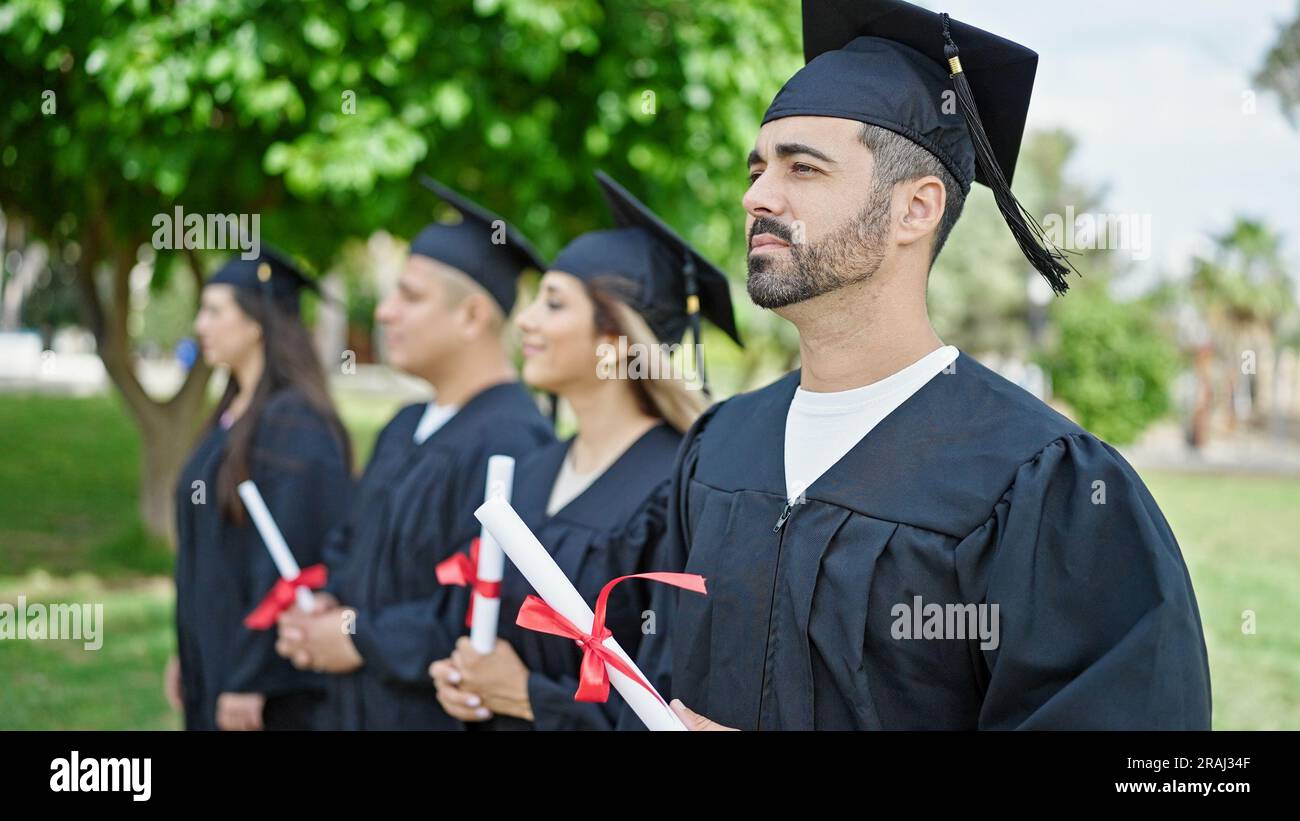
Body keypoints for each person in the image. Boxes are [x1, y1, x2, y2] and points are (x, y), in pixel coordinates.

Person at [631, 0, 1213, 730]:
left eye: (801, 167)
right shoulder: (718, 449)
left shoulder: (1042, 488)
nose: (756, 197)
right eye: (757, 169)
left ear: (916, 208)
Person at [429, 171, 741, 730]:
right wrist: (461, 678)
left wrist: (528, 696)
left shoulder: (676, 488)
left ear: (615, 338)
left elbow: (665, 703)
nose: (524, 320)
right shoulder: (532, 471)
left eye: (553, 304)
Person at [274, 179, 554, 730]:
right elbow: (350, 544)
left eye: (410, 296)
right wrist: (325, 605)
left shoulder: (516, 443)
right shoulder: (403, 427)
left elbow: (481, 611)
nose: (384, 312)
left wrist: (358, 637)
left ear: (472, 316)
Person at [169, 249, 353, 731]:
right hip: (215, 655)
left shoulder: (295, 424)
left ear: (255, 322)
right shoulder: (232, 413)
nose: (200, 324)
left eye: (214, 310)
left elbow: (293, 562)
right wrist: (187, 654)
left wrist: (254, 677)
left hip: (265, 686)